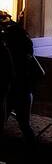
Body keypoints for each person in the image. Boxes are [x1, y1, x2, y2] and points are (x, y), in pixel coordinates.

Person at [0, 13, 39, 146]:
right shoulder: (22, 38)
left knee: (20, 123)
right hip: (23, 87)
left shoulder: (8, 43)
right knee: (24, 124)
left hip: (14, 88)